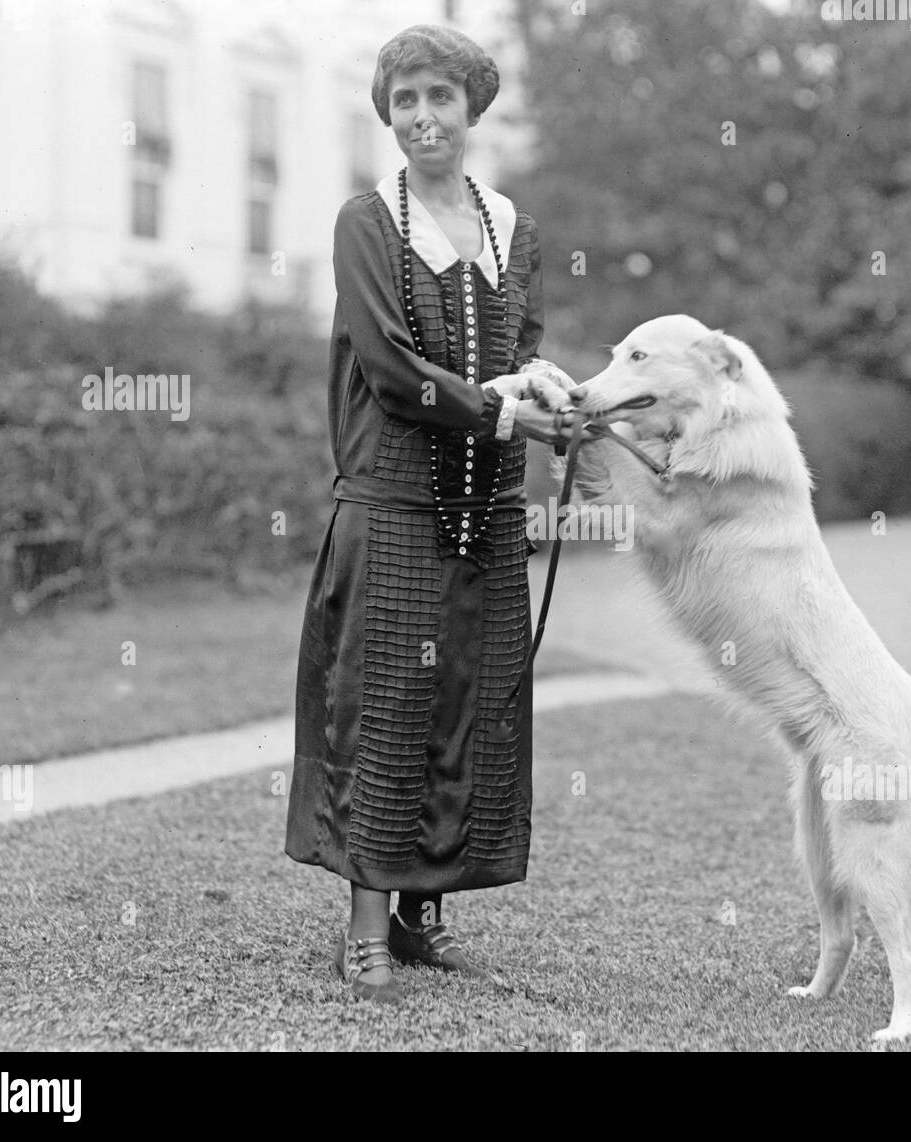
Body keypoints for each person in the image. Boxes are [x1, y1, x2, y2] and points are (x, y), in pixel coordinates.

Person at [284, 24, 574, 1002]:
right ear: (389, 113)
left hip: (486, 509)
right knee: (388, 710)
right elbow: (394, 371)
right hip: (396, 504)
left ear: (470, 106)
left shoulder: (511, 229)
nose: (421, 117)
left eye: (438, 97)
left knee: (469, 704)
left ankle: (422, 917)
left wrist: (548, 394)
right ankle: (363, 931)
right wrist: (504, 408)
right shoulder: (365, 223)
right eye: (403, 100)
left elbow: (518, 351)